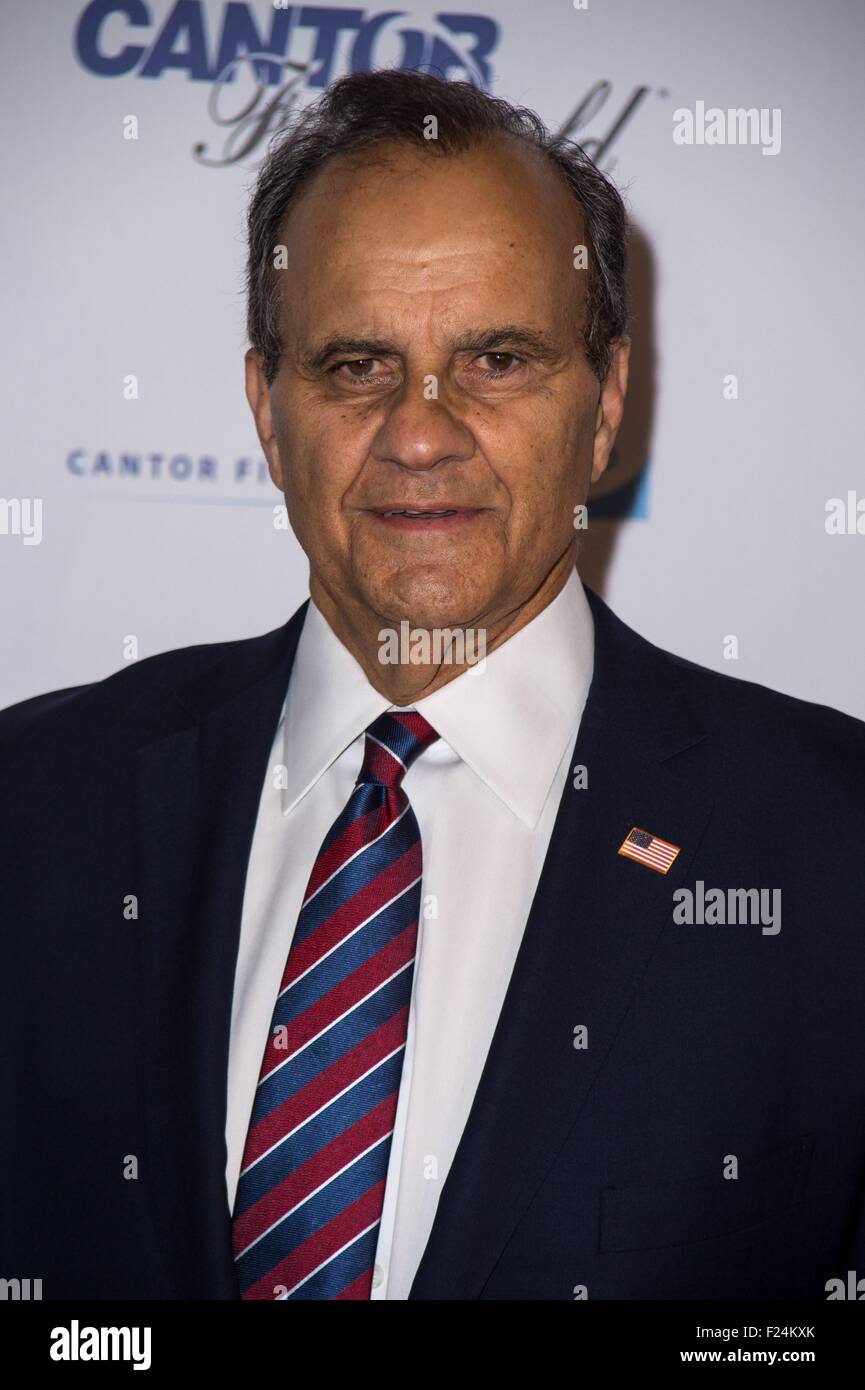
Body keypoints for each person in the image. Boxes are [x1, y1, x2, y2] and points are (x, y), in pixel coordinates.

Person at [2, 68, 864, 1302]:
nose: (420, 433)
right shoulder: (35, 803)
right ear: (265, 405)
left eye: (497, 360)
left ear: (605, 400)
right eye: (356, 364)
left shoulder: (835, 847)